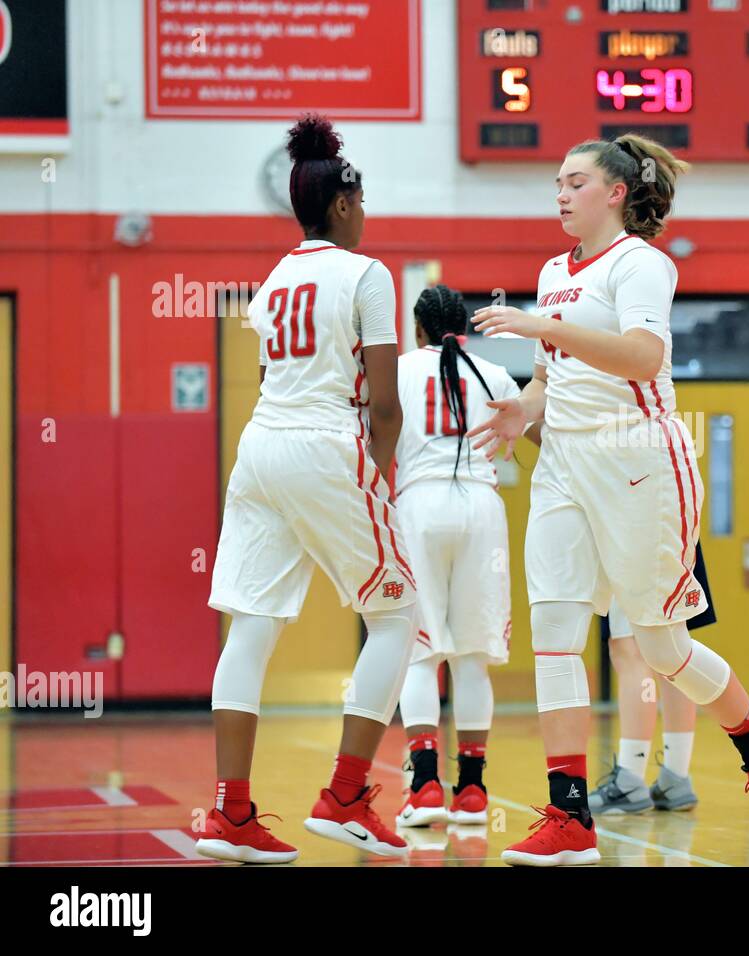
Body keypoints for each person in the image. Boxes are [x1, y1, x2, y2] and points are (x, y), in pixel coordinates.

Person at [468, 134, 749, 866]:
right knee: (553, 634)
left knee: (661, 646)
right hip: (564, 462)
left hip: (640, 461)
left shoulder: (644, 264)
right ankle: (570, 815)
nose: (560, 192)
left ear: (615, 192)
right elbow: (551, 382)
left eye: (575, 181)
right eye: (556, 181)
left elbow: (643, 357)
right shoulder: (554, 269)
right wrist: (520, 409)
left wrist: (541, 326)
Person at [199, 115, 415, 863]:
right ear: (347, 205)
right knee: (400, 614)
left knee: (251, 627)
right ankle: (347, 795)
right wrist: (381, 482)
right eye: (367, 202)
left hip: (260, 447)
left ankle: (229, 813)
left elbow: (268, 380)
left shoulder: (273, 282)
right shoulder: (368, 274)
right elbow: (385, 404)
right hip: (326, 445)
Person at [390, 285, 520, 828]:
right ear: (463, 326)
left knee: (420, 655)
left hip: (420, 505)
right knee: (471, 657)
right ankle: (472, 792)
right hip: (481, 508)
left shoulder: (395, 371)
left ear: (417, 328)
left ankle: (423, 788)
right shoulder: (494, 374)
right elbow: (525, 434)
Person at [589, 541, 716, 814]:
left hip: (632, 526)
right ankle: (676, 777)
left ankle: (630, 781)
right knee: (672, 645)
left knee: (628, 648)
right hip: (677, 525)